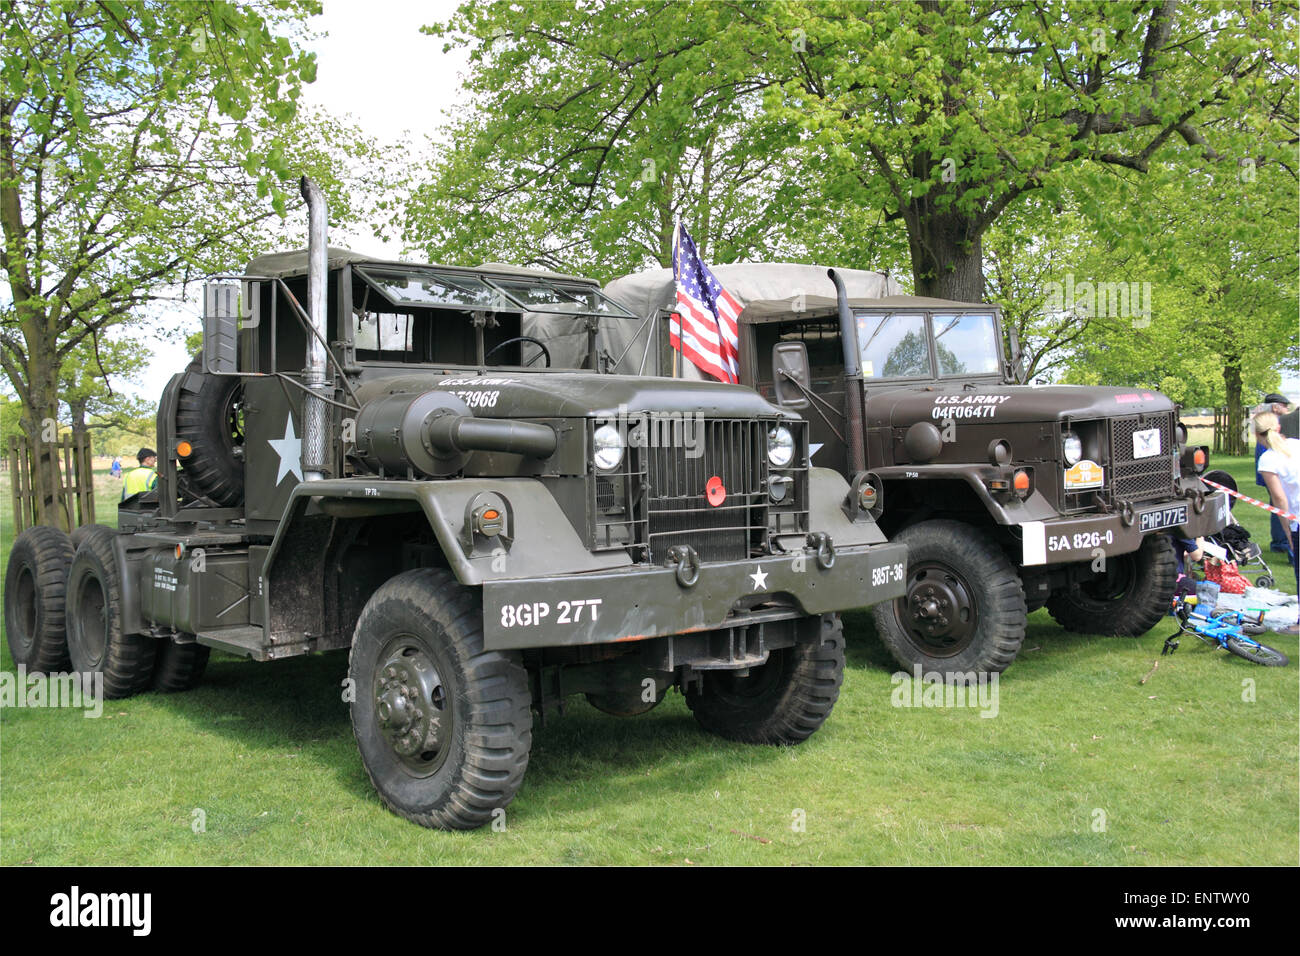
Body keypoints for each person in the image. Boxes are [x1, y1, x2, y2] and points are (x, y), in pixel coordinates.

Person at [1254, 412, 1299, 617]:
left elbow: (1279, 499)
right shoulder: (1297, 445)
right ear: (1278, 427)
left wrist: (1287, 530)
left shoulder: (1268, 459)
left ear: (1256, 434)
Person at [1257, 394, 1294, 553]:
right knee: (1278, 505)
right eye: (1284, 406)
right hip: (1275, 476)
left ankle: (1282, 542)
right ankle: (1281, 542)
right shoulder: (1279, 444)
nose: (1287, 410)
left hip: (1275, 476)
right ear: (1275, 407)